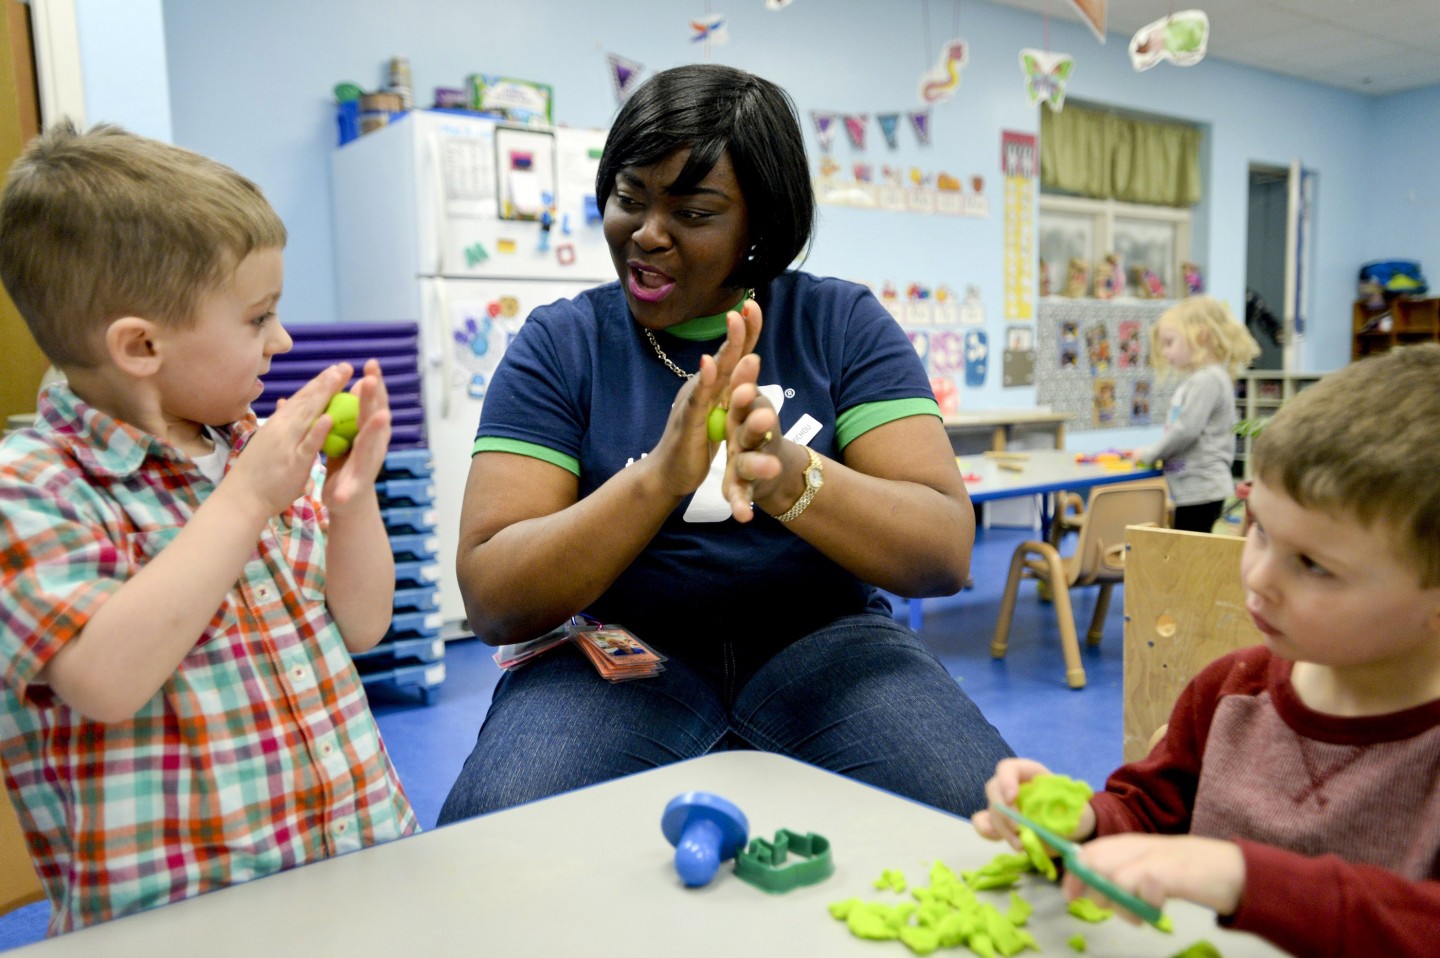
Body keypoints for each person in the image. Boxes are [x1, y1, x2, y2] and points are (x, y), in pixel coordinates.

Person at [438, 63, 1013, 825]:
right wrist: (658, 479)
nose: (646, 232)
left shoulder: (840, 325)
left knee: (990, 826)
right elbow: (493, 598)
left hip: (829, 645)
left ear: (760, 228)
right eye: (627, 198)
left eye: (693, 210)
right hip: (623, 656)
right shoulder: (562, 343)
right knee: (490, 839)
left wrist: (791, 477)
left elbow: (943, 550)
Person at [0, 123, 418, 934]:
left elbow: (363, 626)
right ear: (142, 345)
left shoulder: (252, 450)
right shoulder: (32, 489)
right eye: (258, 317)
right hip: (183, 924)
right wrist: (246, 500)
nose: (284, 340)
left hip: (360, 868)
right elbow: (106, 681)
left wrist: (352, 496)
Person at [973, 343, 1440, 957]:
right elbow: (1144, 810)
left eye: (1314, 565)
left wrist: (1240, 876)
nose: (1258, 578)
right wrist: (1075, 821)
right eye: (1258, 531)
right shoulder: (1231, 689)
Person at [1135, 295, 1260, 533]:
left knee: (1189, 557)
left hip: (1202, 490)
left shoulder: (1208, 380)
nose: (1165, 352)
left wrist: (1149, 454)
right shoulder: (1201, 379)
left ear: (1201, 337)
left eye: (1170, 342)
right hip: (1192, 490)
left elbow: (1186, 430)